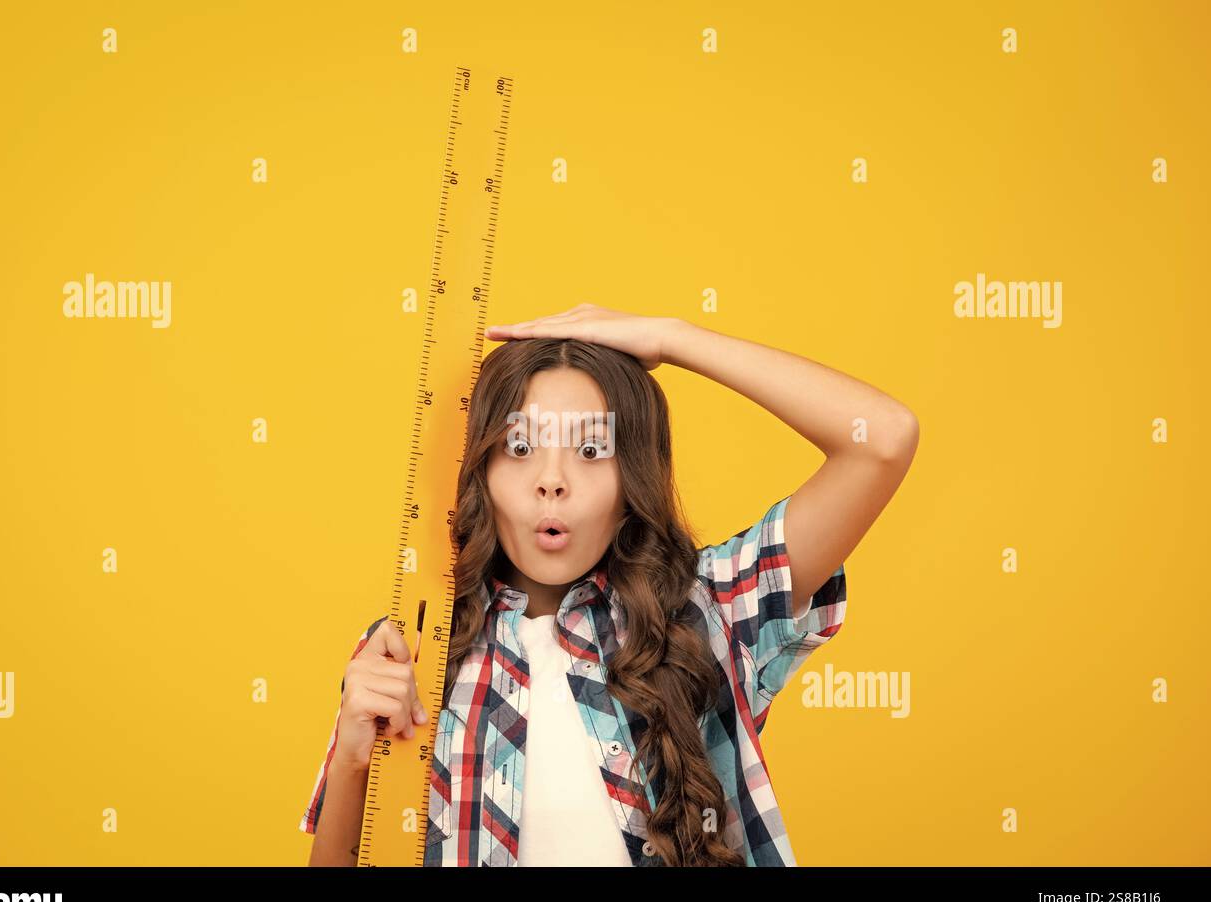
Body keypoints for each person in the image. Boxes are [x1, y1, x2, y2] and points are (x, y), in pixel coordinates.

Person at [300, 303, 919, 866]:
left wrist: (672, 338)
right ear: (480, 469)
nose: (552, 480)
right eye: (520, 446)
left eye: (591, 450)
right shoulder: (420, 646)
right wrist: (354, 762)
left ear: (633, 483)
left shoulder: (708, 612)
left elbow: (882, 440)